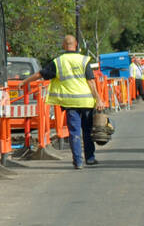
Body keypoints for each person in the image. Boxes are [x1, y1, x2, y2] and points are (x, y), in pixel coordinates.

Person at [20, 35, 103, 169]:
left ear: (64, 45)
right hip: (86, 102)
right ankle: (90, 158)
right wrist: (98, 99)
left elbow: (41, 74)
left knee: (74, 132)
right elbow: (91, 81)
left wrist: (25, 82)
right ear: (76, 44)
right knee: (87, 131)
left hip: (70, 103)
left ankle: (78, 161)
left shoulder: (58, 62)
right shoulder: (84, 60)